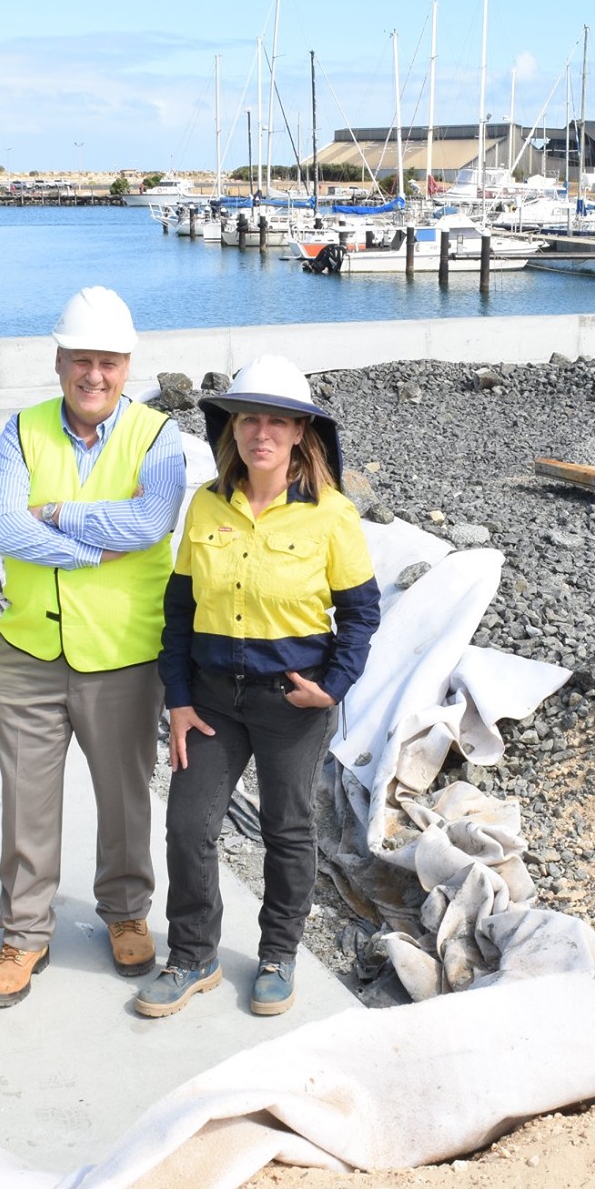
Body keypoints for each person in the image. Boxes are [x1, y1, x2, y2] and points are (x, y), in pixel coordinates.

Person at [136, 355, 379, 1019]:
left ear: (301, 431)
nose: (261, 432)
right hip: (212, 700)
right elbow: (179, 611)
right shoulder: (206, 504)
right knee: (188, 826)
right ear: (233, 428)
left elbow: (361, 613)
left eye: (277, 420)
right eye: (249, 419)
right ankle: (193, 955)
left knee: (287, 829)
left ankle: (277, 954)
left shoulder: (331, 514)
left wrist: (332, 687)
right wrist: (177, 697)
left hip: (291, 705)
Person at [0, 287, 187, 1008]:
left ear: (127, 366)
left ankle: (126, 911)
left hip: (122, 654)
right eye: (81, 360)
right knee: (26, 802)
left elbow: (150, 522)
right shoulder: (23, 429)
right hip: (29, 648)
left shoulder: (158, 436)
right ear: (59, 360)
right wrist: (92, 551)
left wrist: (57, 514)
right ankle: (24, 932)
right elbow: (2, 527)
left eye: (108, 362)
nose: (94, 375)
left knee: (125, 798)